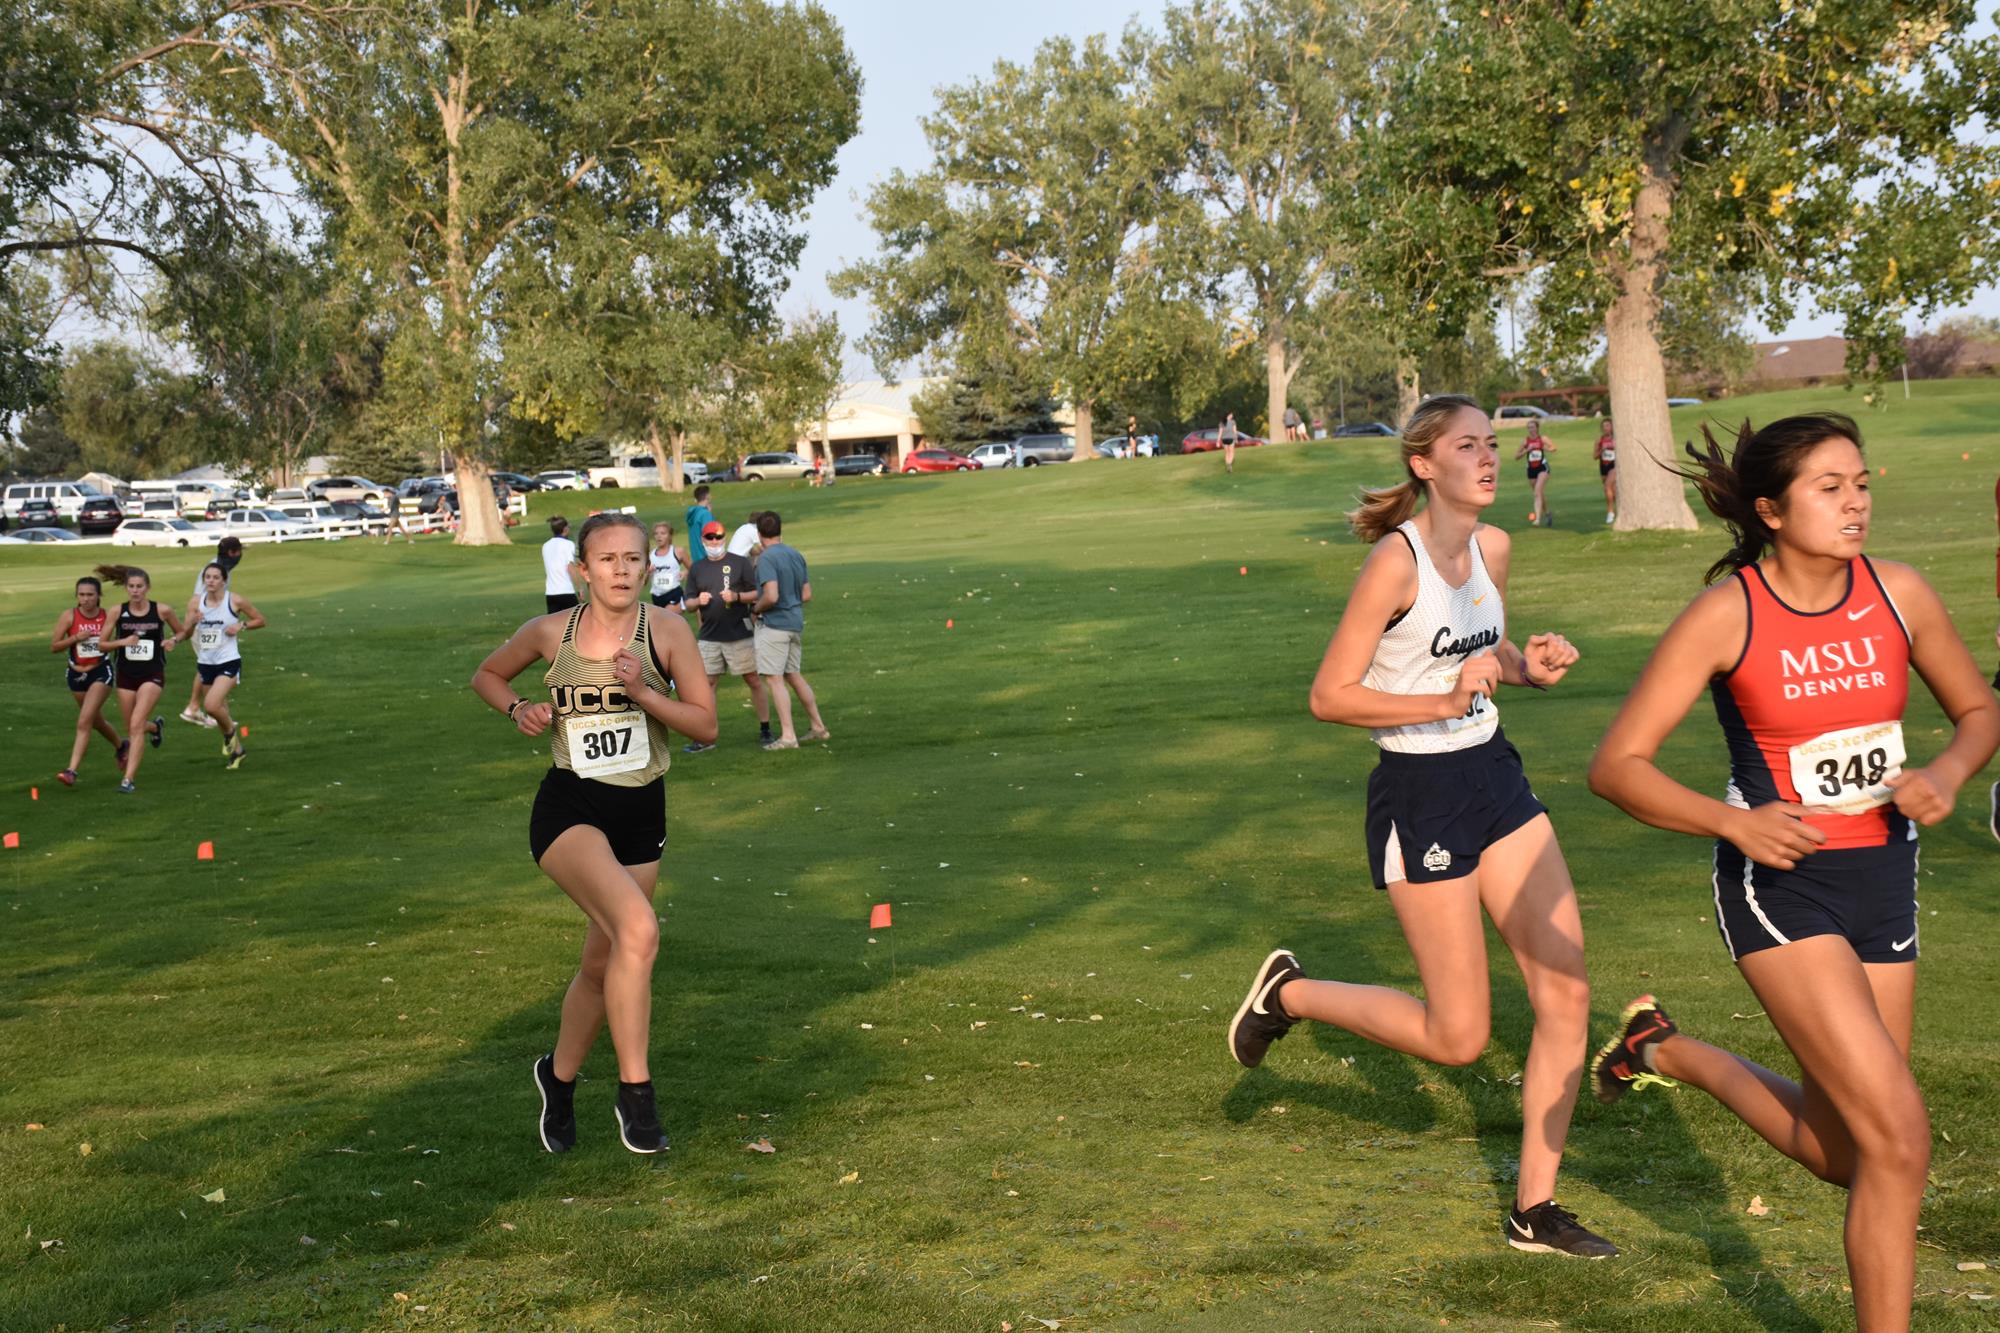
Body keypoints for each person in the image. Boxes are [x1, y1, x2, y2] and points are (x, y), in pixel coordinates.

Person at [1586, 413, 1999, 1330]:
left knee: (1853, 1152)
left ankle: (1665, 1051)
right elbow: (1618, 765)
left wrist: (1945, 772)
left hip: (1885, 879)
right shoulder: (1728, 612)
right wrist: (1737, 822)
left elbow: (1978, 708)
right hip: (1782, 891)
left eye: (1861, 483)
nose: (1855, 503)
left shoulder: (1901, 593)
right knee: (1901, 1135)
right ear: (1771, 509)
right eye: (1830, 487)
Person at [1227, 394, 1614, 1258]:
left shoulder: (1495, 548)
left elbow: (1489, 652)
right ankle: (1286, 995)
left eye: (1493, 443)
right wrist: (1443, 696)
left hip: (1495, 777)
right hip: (1419, 792)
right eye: (1467, 445)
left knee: (1567, 990)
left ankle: (1534, 1210)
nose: (1489, 457)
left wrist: (1528, 667)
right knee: (1459, 1034)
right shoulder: (1393, 567)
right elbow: (1329, 694)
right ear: (1423, 465)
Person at [469, 512, 718, 1155]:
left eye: (633, 559)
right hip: (570, 807)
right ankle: (636, 1096)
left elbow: (705, 725)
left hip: (642, 810)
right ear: (582, 569)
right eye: (606, 560)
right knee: (639, 930)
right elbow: (487, 675)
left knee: (602, 961)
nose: (621, 570)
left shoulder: (665, 632)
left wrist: (646, 692)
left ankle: (556, 1077)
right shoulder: (551, 633)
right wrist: (518, 707)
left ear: (649, 566)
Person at [682, 519, 770, 750]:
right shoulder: (698, 568)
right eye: (709, 538)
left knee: (753, 679)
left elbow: (756, 593)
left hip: (739, 633)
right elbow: (688, 602)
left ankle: (766, 728)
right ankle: (706, 736)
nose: (714, 542)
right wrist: (696, 601)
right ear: (703, 540)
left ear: (724, 538)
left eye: (718, 537)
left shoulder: (740, 563)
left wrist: (737, 597)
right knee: (708, 684)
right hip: (709, 636)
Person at [97, 565, 185, 794]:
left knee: (135, 725)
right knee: (132, 726)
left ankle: (128, 780)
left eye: (139, 587)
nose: (135, 591)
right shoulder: (117, 611)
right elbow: (101, 644)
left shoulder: (162, 610)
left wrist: (173, 640)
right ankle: (155, 727)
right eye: (131, 587)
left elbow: (183, 631)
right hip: (126, 675)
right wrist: (121, 643)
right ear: (126, 588)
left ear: (148, 588)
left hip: (152, 674)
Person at [750, 510, 828, 751]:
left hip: (774, 625)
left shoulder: (766, 559)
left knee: (774, 680)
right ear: (780, 530)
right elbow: (806, 594)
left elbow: (770, 595)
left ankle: (788, 736)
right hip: (795, 622)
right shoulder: (795, 554)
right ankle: (818, 727)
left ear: (760, 534)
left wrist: (755, 608)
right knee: (793, 675)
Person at [176, 561, 265, 770]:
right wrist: (189, 626)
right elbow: (186, 631)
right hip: (206, 663)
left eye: (216, 577)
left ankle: (229, 737)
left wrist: (241, 625)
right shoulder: (196, 602)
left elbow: (260, 620)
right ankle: (237, 751)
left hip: (229, 661)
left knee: (211, 705)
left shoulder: (235, 600)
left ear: (224, 580)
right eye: (207, 577)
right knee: (220, 710)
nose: (211, 581)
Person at [50, 574, 127, 787]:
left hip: (100, 672)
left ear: (99, 595)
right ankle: (121, 746)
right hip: (75, 674)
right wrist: (75, 638)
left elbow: (120, 639)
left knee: (84, 721)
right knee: (95, 721)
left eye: (90, 595)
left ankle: (71, 771)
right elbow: (54, 646)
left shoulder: (107, 616)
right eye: (81, 595)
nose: (86, 599)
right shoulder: (69, 616)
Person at [181, 536, 244, 728]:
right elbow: (199, 599)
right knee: (208, 664)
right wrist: (196, 620)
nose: (239, 555)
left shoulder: (222, 567)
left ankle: (220, 715)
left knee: (213, 666)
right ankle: (193, 707)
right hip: (204, 625)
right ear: (231, 552)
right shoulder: (214, 571)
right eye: (237, 551)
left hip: (212, 625)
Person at [1516, 419, 1554, 526]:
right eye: (1529, 427)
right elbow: (1516, 456)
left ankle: (1537, 519)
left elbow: (1553, 448)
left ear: (1537, 428)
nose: (1531, 429)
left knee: (1537, 492)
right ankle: (1547, 513)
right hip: (1531, 469)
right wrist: (1526, 450)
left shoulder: (1542, 438)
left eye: (1532, 427)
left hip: (1542, 467)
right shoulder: (1525, 441)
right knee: (1539, 493)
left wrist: (1543, 447)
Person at [543, 516, 579, 614]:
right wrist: (580, 589)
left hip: (550, 594)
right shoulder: (568, 544)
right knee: (575, 623)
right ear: (565, 529)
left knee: (554, 626)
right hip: (566, 591)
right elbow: (570, 567)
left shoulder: (546, 546)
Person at [647, 522, 687, 609]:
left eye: (663, 533)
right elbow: (642, 579)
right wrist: (647, 572)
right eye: (656, 533)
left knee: (669, 618)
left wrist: (685, 573)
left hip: (674, 594)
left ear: (670, 536)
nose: (659, 536)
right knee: (661, 622)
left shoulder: (678, 552)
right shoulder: (650, 555)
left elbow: (694, 569)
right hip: (656, 596)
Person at [684, 485, 715, 570]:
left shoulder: (694, 513)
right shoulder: (705, 514)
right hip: (706, 557)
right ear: (707, 496)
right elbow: (709, 535)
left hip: (696, 557)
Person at [1593, 419, 1618, 525]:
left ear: (1612, 426)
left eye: (1608, 425)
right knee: (1612, 491)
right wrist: (1602, 450)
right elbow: (1595, 456)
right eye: (1604, 426)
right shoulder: (1599, 440)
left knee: (1607, 486)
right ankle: (1622, 508)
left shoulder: (1617, 439)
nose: (1605, 428)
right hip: (1603, 466)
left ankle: (1610, 512)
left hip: (1615, 466)